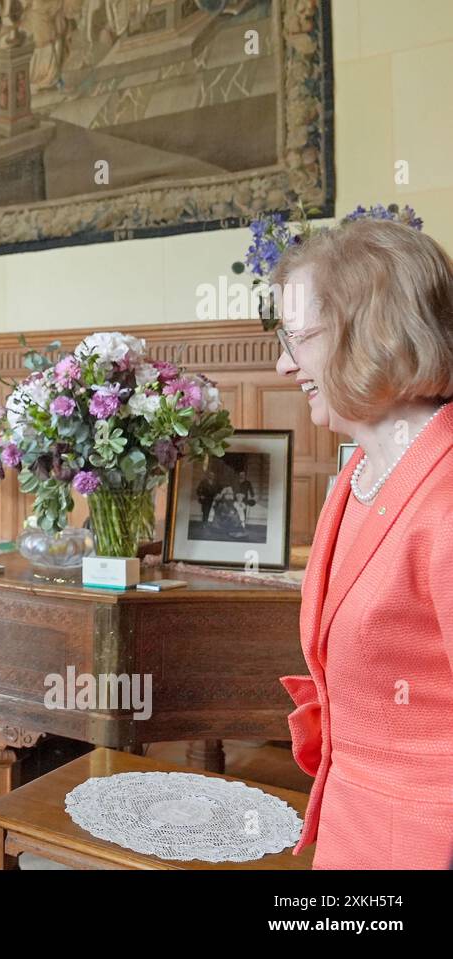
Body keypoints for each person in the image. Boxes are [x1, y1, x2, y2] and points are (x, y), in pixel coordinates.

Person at [273, 218, 453, 869]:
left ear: (372, 330)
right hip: (356, 827)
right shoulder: (360, 470)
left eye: (299, 338)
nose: (283, 362)